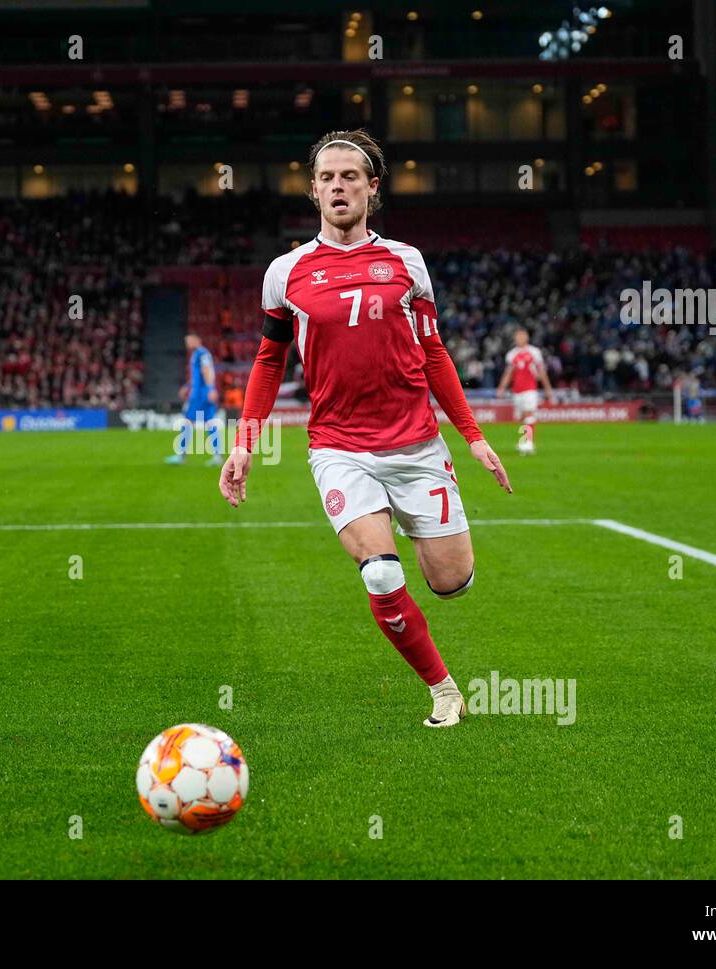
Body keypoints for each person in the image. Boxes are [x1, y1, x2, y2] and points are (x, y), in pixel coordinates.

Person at [218, 130, 511, 729]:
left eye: (350, 176)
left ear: (372, 188)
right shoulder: (287, 272)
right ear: (314, 191)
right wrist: (245, 443)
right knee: (380, 573)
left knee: (451, 583)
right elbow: (269, 361)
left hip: (418, 447)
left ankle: (410, 528)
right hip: (339, 449)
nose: (338, 187)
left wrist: (473, 435)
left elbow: (433, 353)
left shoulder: (407, 262)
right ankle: (443, 689)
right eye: (326, 178)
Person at [166, 332, 222, 467]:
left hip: (199, 395)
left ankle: (181, 456)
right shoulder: (198, 354)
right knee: (210, 422)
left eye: (189, 341)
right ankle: (217, 456)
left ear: (197, 340)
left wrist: (210, 389)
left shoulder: (201, 353)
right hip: (201, 392)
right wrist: (187, 386)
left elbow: (206, 371)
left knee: (187, 421)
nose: (187, 344)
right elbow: (198, 375)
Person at [496, 328, 554, 454]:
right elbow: (509, 373)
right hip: (517, 390)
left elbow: (541, 371)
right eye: (518, 336)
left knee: (529, 414)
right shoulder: (511, 354)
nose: (520, 338)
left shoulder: (534, 352)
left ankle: (528, 443)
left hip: (530, 389)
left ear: (527, 337)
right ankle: (524, 441)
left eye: (522, 336)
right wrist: (501, 387)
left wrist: (548, 388)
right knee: (522, 417)